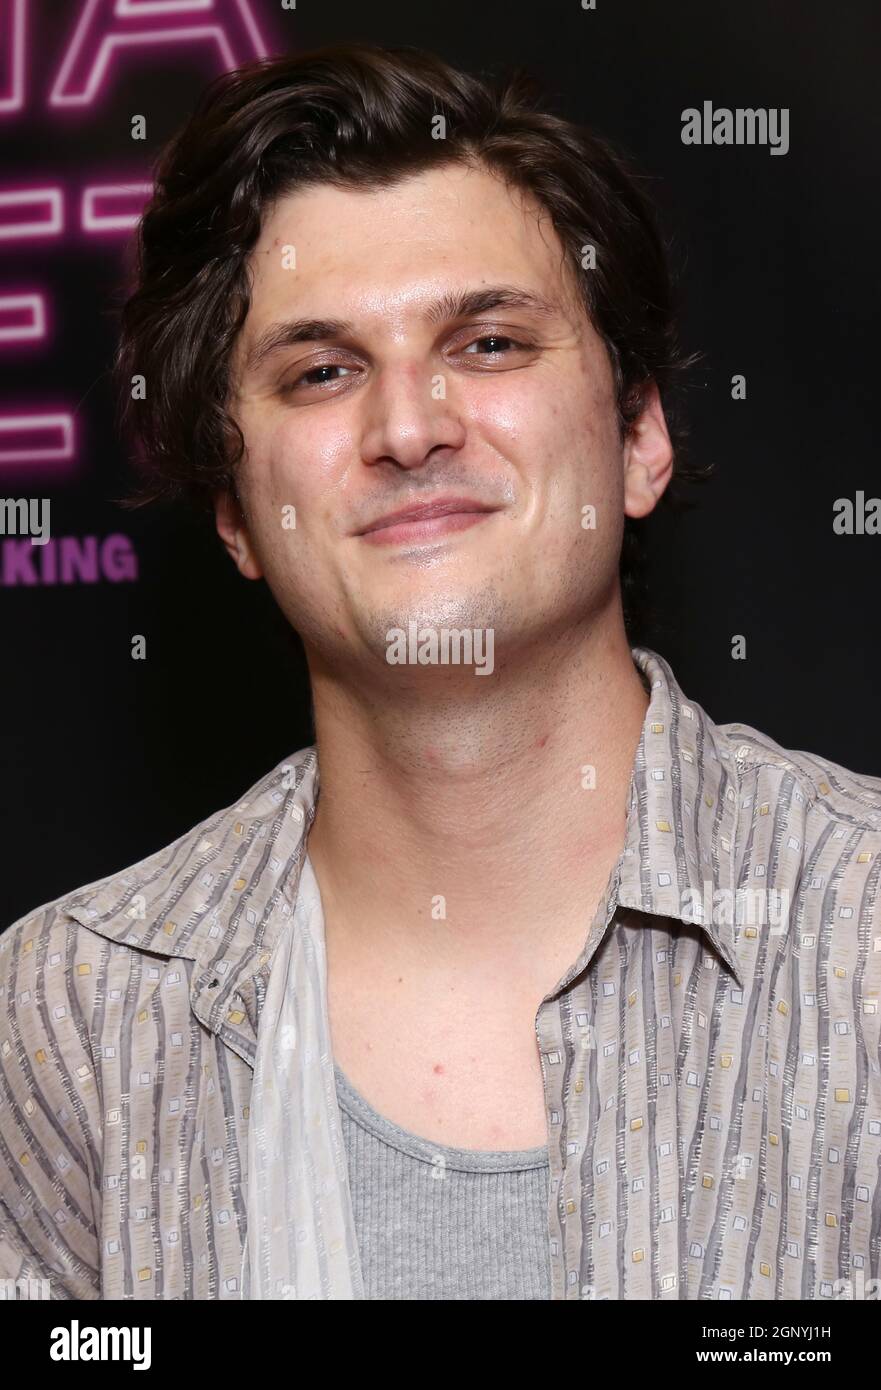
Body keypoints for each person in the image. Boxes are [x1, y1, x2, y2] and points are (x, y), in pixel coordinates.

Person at [2, 41, 879, 1303]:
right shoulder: (69, 1021)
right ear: (237, 516)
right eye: (321, 371)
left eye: (486, 343)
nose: (408, 427)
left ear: (638, 439)